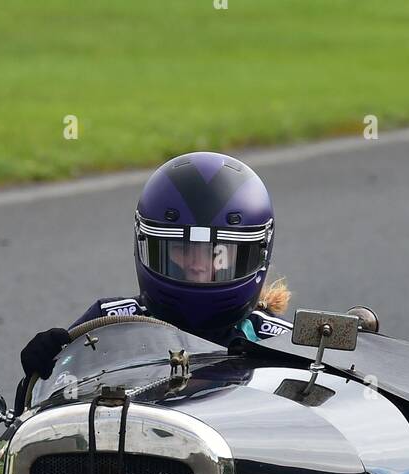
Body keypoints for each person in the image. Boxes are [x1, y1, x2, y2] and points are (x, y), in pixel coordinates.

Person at [18, 151, 291, 405]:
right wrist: (42, 369)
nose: (197, 266)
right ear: (149, 246)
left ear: (254, 255)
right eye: (182, 250)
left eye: (217, 253)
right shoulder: (109, 324)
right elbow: (48, 407)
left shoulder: (274, 342)